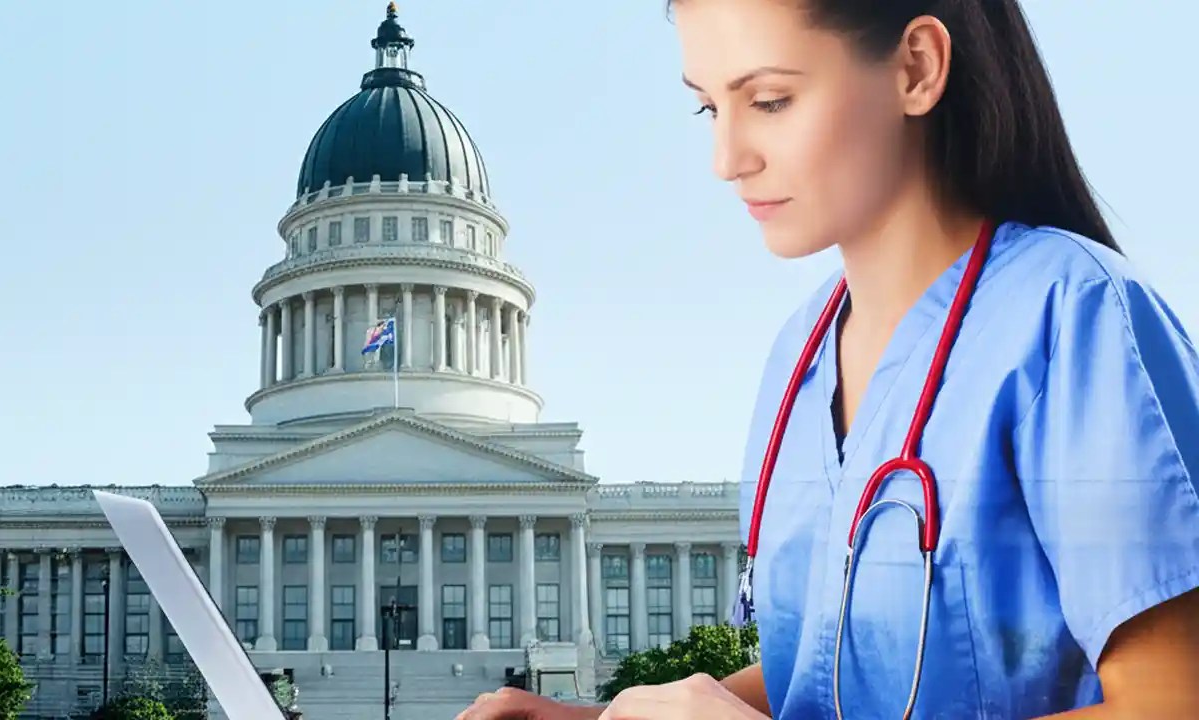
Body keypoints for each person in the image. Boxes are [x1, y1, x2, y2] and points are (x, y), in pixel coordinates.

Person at [458, 0, 1199, 717]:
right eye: (710, 109)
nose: (727, 160)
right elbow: (829, 668)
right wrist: (602, 719)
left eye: (771, 100)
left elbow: (1176, 699)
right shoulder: (799, 356)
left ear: (915, 68)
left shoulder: (1074, 315)